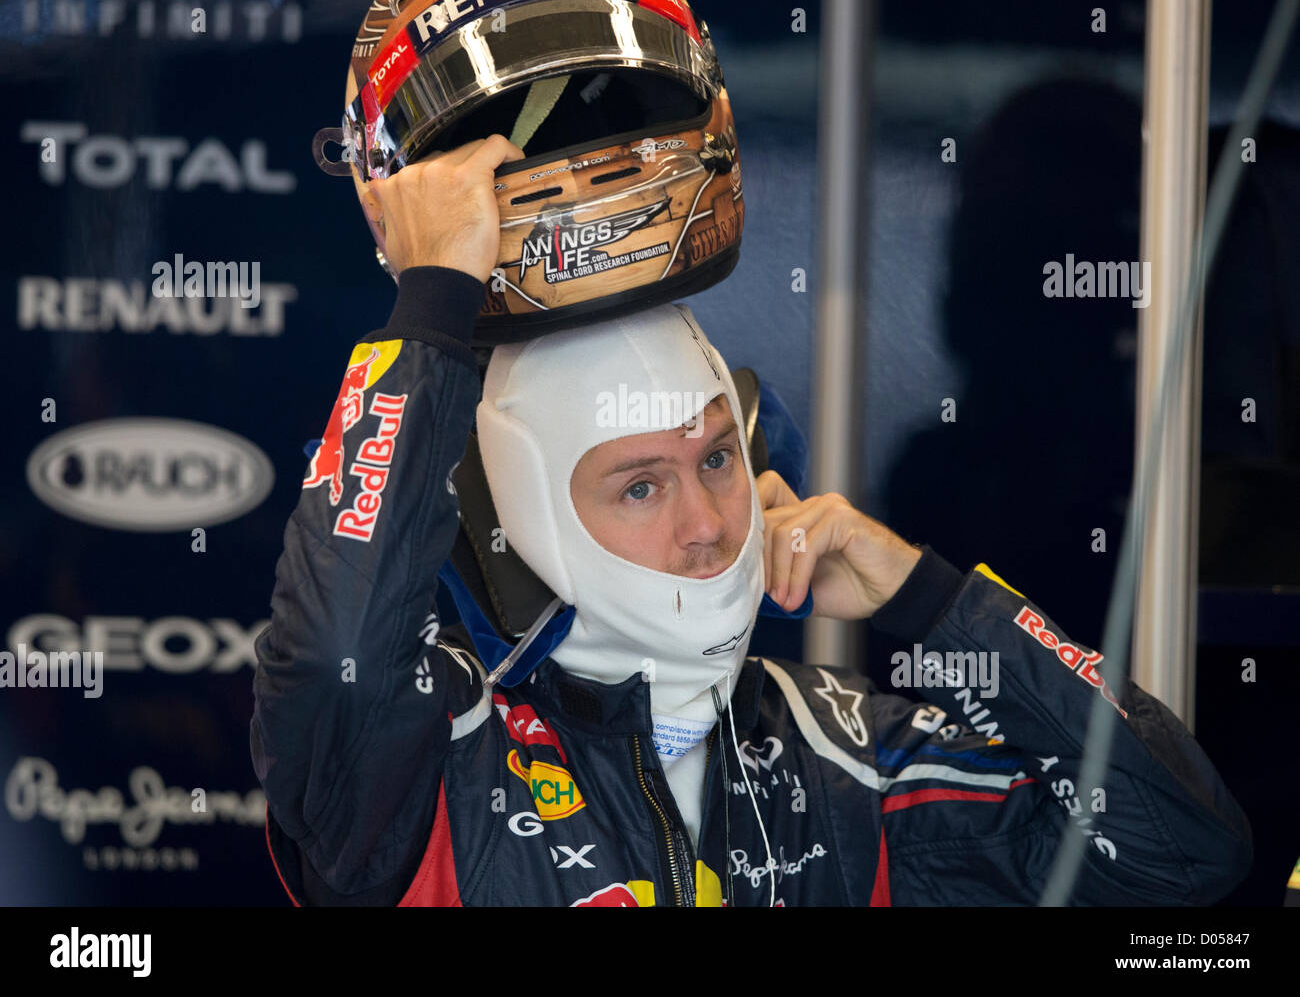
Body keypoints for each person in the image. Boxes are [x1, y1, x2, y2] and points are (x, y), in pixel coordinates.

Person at [249, 136, 1252, 906]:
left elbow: (1180, 847)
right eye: (639, 485)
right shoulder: (435, 754)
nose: (705, 524)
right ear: (532, 514)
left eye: (717, 459)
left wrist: (931, 598)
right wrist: (432, 300)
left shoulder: (842, 754)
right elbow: (336, 646)